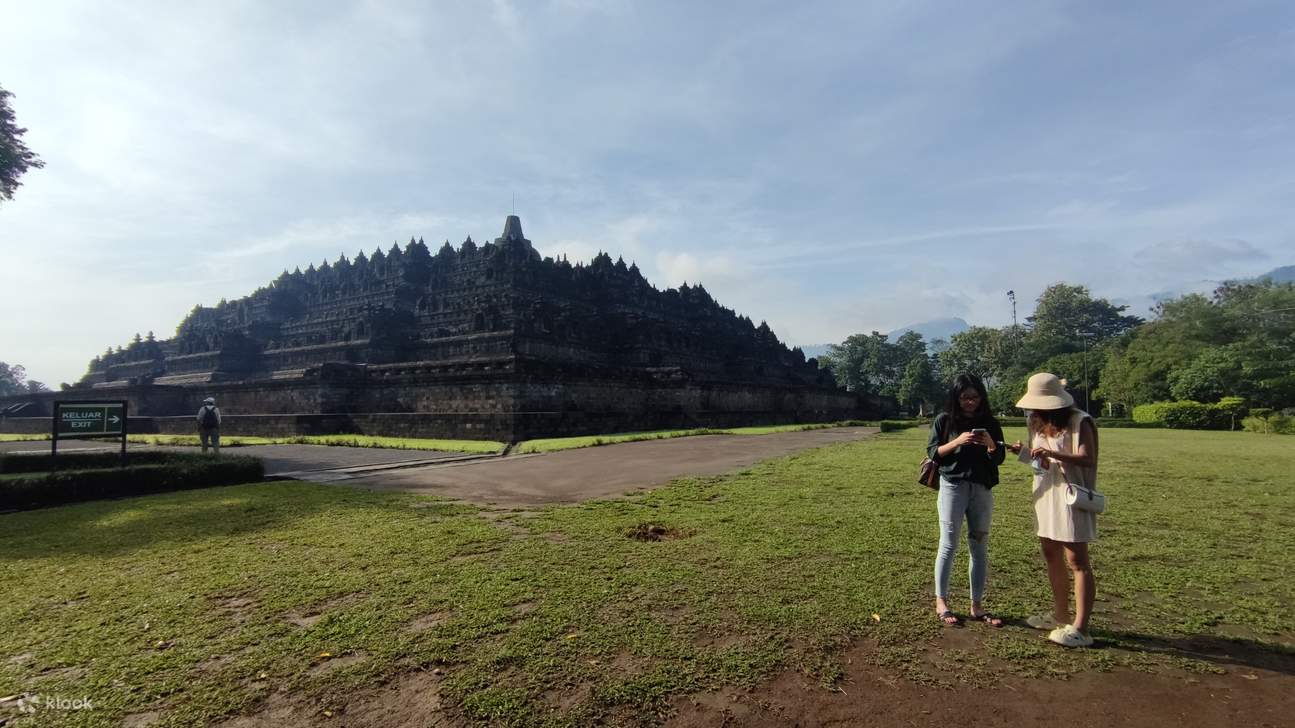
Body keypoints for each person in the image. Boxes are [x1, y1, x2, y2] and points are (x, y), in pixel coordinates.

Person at [1008, 373, 1099, 648]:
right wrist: (1025, 454)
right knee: (1050, 553)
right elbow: (1041, 465)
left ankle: (1081, 628)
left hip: (1071, 496)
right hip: (1046, 494)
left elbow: (1087, 458)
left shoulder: (1079, 421)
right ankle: (1060, 616)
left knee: (1078, 561)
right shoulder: (1035, 421)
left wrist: (1052, 454)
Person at [927, 373, 1007, 627]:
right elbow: (933, 453)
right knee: (949, 544)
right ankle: (942, 602)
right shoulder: (944, 421)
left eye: (974, 397)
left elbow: (999, 458)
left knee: (979, 547)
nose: (970, 402)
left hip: (981, 488)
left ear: (981, 397)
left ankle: (977, 605)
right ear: (956, 398)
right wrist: (957, 441)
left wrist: (992, 445)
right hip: (953, 486)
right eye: (964, 398)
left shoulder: (990, 423)